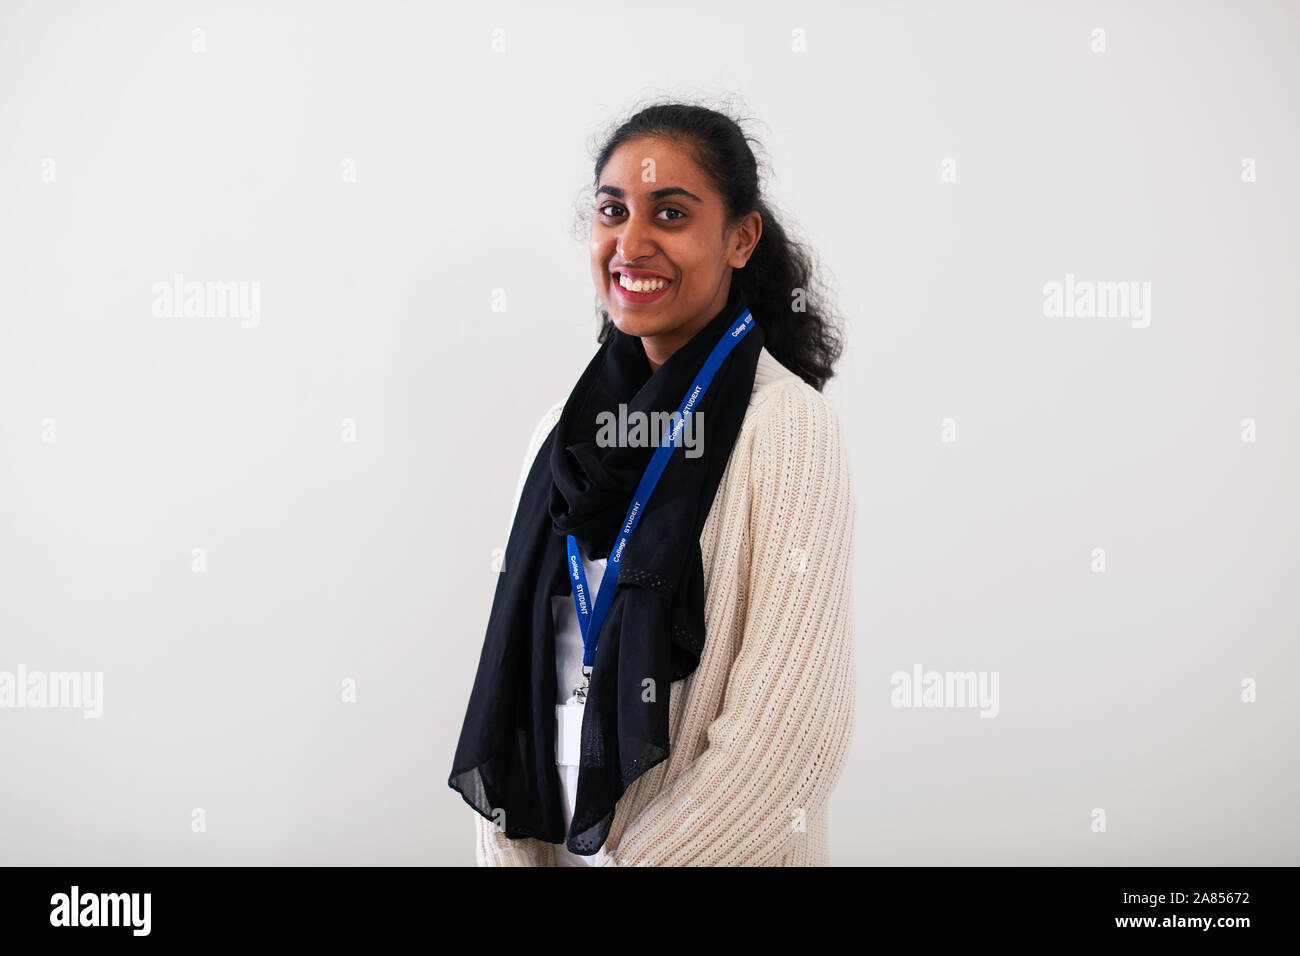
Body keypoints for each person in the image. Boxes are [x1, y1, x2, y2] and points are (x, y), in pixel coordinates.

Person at [448, 100, 856, 866]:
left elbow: (792, 746)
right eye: (612, 211)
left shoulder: (786, 428)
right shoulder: (559, 438)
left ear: (741, 238)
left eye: (670, 213)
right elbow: (511, 692)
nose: (630, 244)